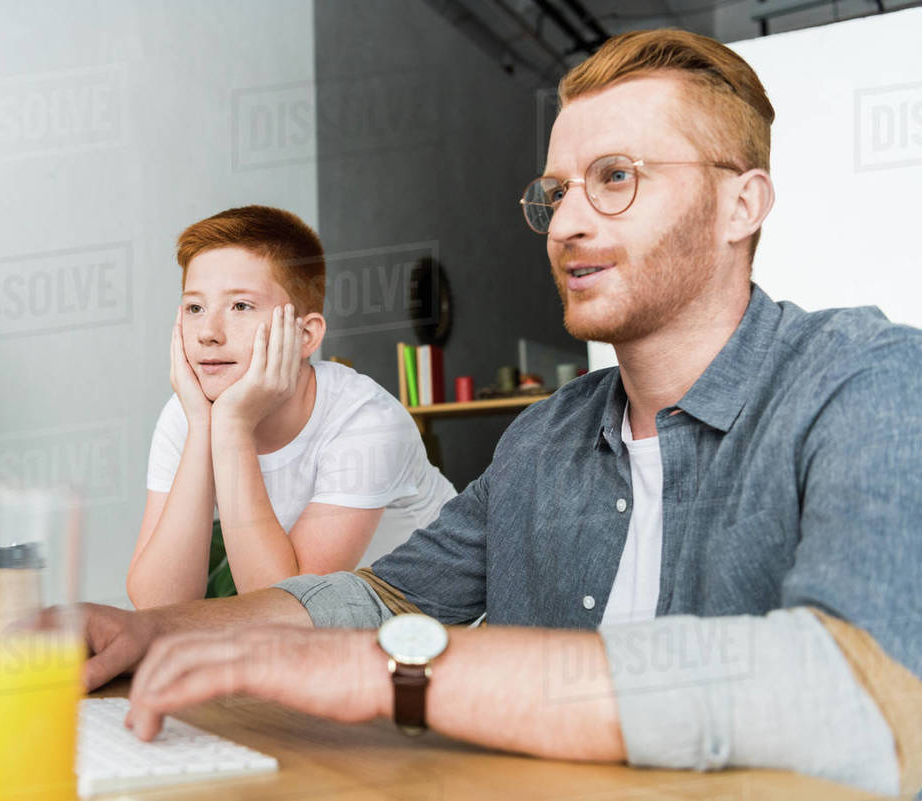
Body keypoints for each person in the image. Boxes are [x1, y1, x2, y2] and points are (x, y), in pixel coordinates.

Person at [85, 30, 922, 796]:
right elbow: (381, 599)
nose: (567, 222)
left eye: (616, 178)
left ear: (743, 204)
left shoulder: (864, 379)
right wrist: (153, 630)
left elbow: (856, 683)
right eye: (557, 191)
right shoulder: (543, 438)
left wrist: (396, 674)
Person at [126, 205, 457, 608]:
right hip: (329, 644)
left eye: (240, 306)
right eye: (195, 308)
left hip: (437, 636)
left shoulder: (366, 420)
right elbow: (158, 605)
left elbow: (291, 609)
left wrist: (230, 426)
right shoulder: (187, 413)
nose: (208, 333)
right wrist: (201, 426)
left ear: (305, 335)